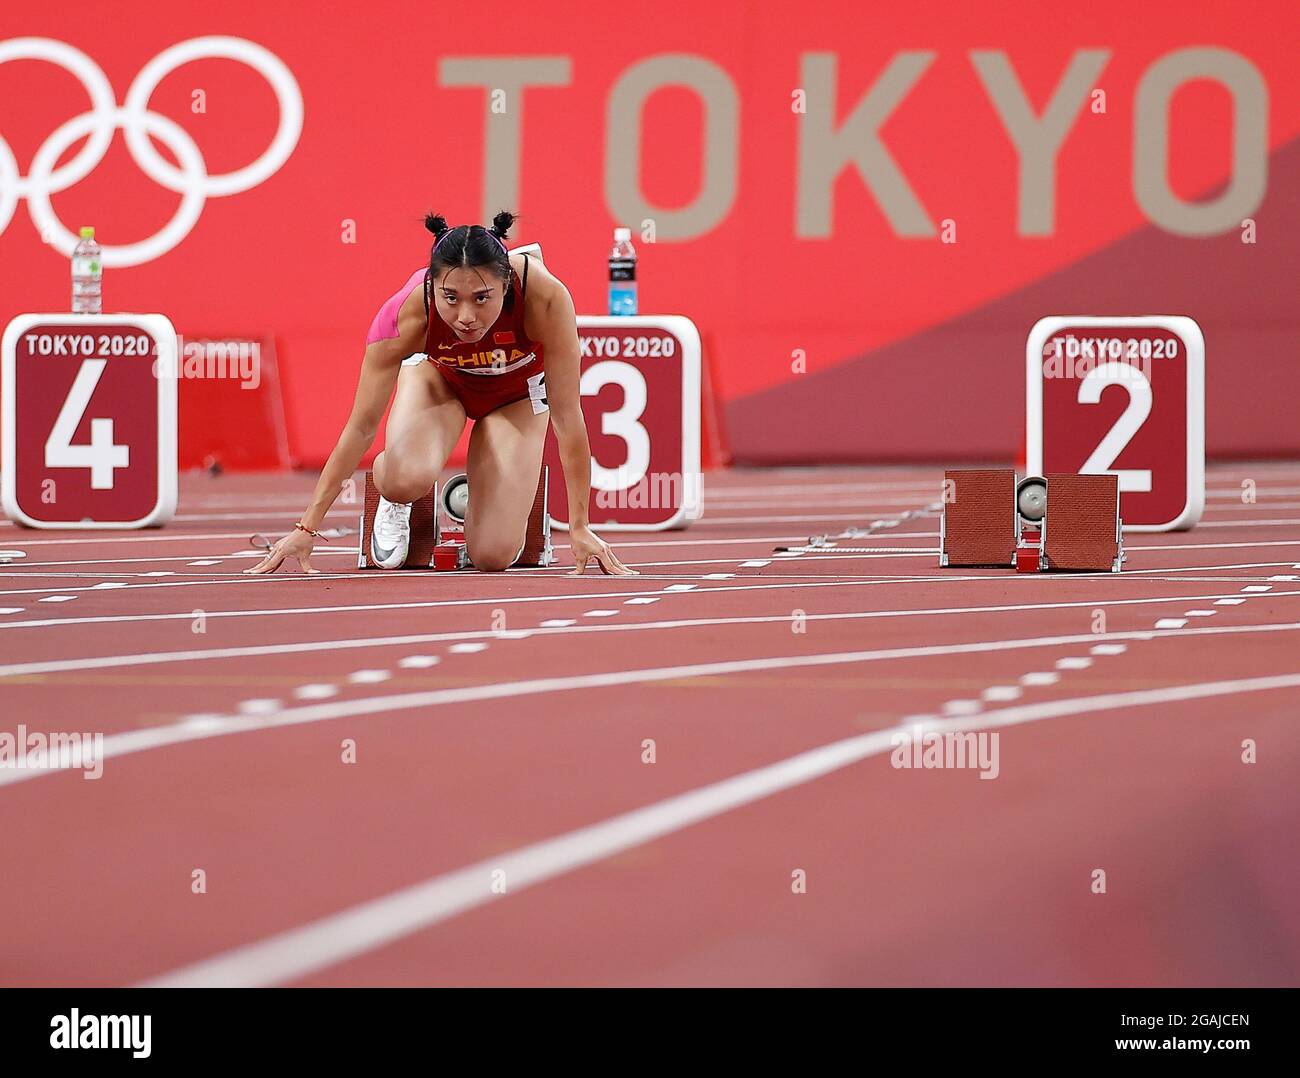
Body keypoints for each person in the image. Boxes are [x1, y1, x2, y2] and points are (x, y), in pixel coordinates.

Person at [246, 211, 636, 577]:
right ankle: (394, 496)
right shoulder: (405, 316)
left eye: (481, 298)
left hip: (516, 397)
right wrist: (307, 527)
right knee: (406, 478)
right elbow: (361, 427)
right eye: (451, 298)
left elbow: (568, 417)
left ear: (505, 285)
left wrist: (580, 526)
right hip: (440, 383)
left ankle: (480, 497)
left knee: (493, 555)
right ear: (432, 285)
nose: (465, 316)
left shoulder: (546, 299)